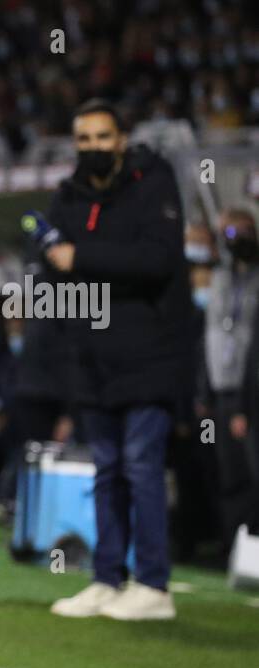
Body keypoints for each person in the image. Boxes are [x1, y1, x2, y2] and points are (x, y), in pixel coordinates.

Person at [45, 100, 192, 621]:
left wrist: (80, 259)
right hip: (93, 357)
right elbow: (44, 266)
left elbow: (158, 259)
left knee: (140, 465)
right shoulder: (68, 196)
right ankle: (108, 578)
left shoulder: (154, 182)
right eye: (83, 140)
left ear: (122, 139)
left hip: (151, 353)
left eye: (102, 138)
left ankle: (154, 585)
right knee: (107, 470)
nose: (92, 149)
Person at [200, 208, 259, 544]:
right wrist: (203, 392)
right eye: (230, 235)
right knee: (227, 471)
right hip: (220, 389)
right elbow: (206, 338)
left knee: (252, 471)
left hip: (250, 388)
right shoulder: (219, 278)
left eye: (243, 232)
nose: (237, 241)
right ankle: (233, 547)